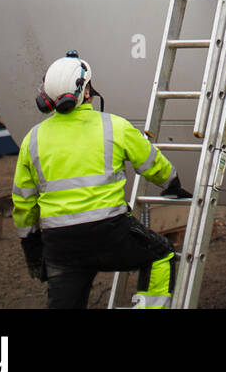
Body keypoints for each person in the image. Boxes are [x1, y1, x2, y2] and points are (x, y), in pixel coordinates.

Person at [12, 51, 189, 310]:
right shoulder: (114, 127)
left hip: (61, 246)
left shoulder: (33, 140)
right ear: (85, 92)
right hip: (110, 235)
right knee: (161, 255)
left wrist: (30, 245)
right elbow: (151, 162)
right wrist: (172, 183)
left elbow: (23, 202)